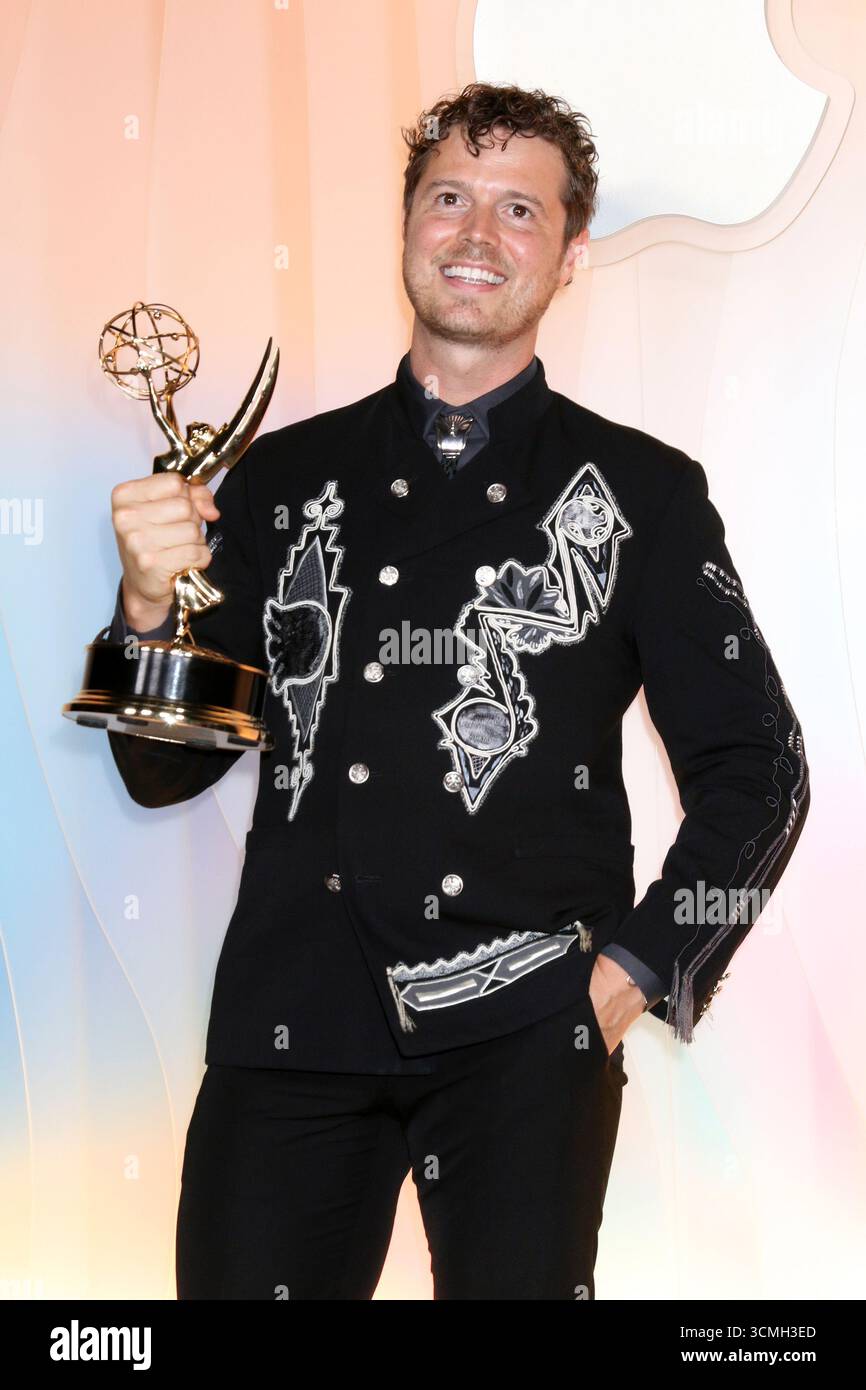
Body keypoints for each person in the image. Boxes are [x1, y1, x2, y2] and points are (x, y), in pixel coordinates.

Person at [96, 82, 810, 1300]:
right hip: (291, 1020)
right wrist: (146, 605)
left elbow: (762, 768)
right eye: (449, 199)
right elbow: (161, 768)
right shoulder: (282, 476)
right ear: (407, 227)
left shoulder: (638, 490)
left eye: (518, 210)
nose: (476, 236)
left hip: (527, 1031)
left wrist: (629, 977)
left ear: (569, 254)